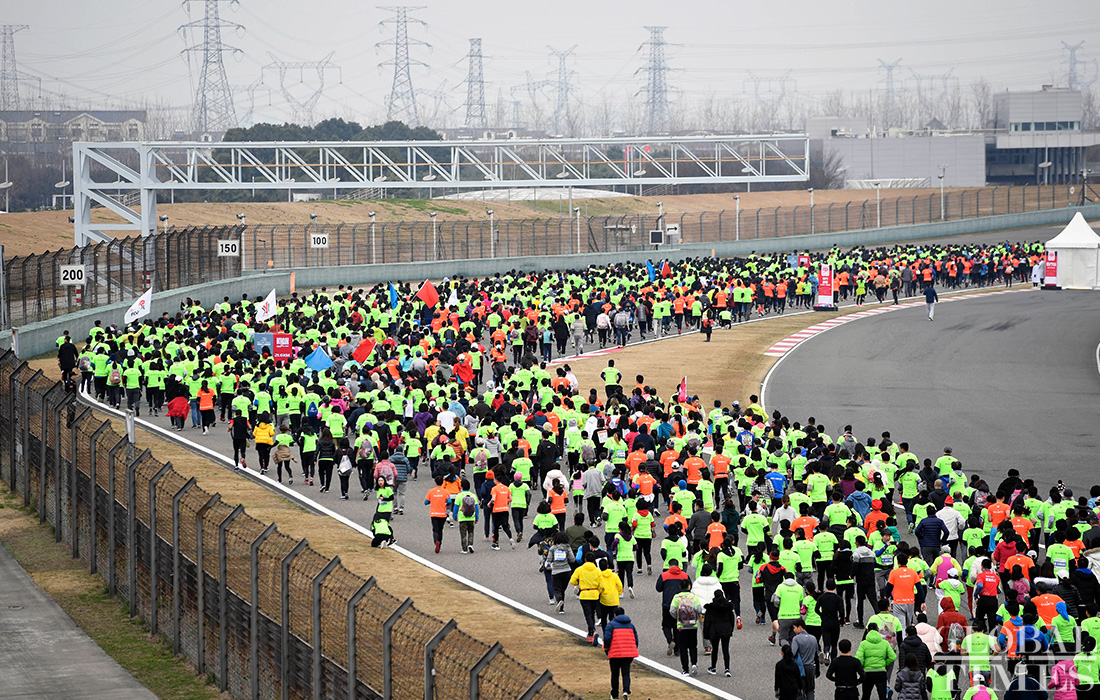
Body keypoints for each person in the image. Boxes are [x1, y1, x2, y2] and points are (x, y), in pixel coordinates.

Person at [603, 607, 638, 700]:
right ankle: (626, 691)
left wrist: (607, 649)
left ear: (614, 615)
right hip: (628, 653)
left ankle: (615, 694)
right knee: (626, 673)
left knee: (615, 674)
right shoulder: (631, 625)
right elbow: (636, 640)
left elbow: (607, 638)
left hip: (615, 653)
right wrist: (633, 651)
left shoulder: (611, 625)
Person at [670, 578, 703, 676]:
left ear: (680, 587)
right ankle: (694, 663)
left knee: (683, 648)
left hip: (681, 626)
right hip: (693, 625)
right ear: (689, 586)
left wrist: (678, 617)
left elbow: (672, 610)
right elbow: (699, 609)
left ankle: (685, 669)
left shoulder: (677, 597)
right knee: (693, 646)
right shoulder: (694, 597)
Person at [857, 622, 897, 700]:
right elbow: (893, 657)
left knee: (866, 696)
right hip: (881, 672)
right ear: (878, 630)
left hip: (868, 672)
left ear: (867, 631)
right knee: (882, 697)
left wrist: (864, 664)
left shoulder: (863, 644)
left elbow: (858, 658)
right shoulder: (885, 643)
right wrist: (885, 663)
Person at [705, 588, 735, 677]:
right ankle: (727, 668)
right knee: (725, 650)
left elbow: (707, 622)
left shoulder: (711, 607)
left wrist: (706, 634)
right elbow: (731, 619)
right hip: (726, 629)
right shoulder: (728, 606)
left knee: (715, 649)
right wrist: (731, 629)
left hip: (714, 630)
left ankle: (713, 667)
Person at [791, 618, 821, 700]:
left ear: (800, 627)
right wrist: (817, 669)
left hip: (800, 668)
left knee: (800, 690)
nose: (794, 630)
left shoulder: (796, 639)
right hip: (811, 667)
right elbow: (816, 655)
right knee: (810, 690)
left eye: (794, 628)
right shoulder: (813, 638)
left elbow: (793, 653)